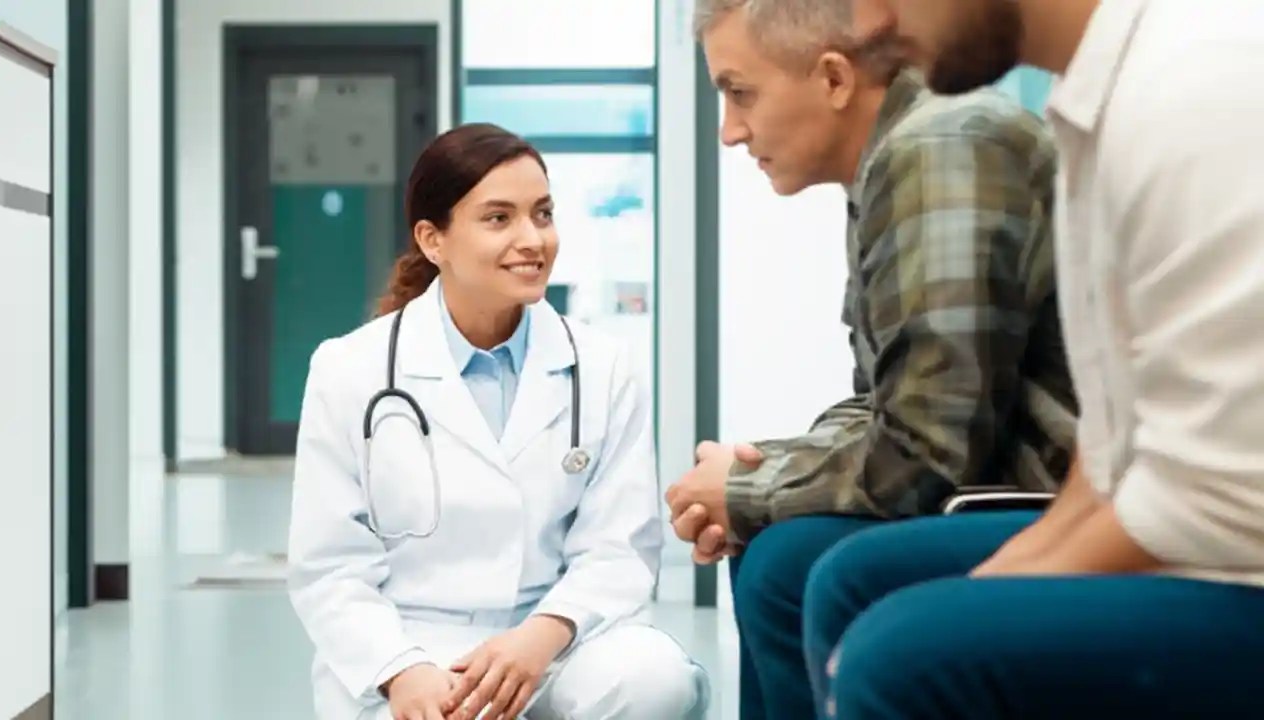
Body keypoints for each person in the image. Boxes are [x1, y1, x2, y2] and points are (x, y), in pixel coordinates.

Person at [801, 0, 1264, 718]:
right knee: (854, 585)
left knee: (901, 658)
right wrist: (1000, 578)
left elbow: (1218, 501)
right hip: (1203, 522)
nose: (866, 26)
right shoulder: (1095, 100)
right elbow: (1108, 453)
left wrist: (975, 599)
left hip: (1235, 546)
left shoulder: (1196, 87)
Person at [663, 0, 1077, 716]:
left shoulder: (940, 150)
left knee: (786, 563)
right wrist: (760, 469)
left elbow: (929, 453)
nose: (730, 131)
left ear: (833, 78)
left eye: (740, 92)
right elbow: (888, 406)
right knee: (770, 543)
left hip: (1064, 507)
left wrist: (747, 489)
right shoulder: (902, 157)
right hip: (1015, 488)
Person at [286, 123, 709, 720]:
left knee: (655, 680)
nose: (532, 239)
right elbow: (330, 565)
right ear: (433, 240)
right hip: (413, 647)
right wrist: (402, 671)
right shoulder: (349, 369)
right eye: (498, 218)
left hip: (556, 644)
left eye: (543, 214)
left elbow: (620, 549)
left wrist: (541, 636)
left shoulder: (603, 368)